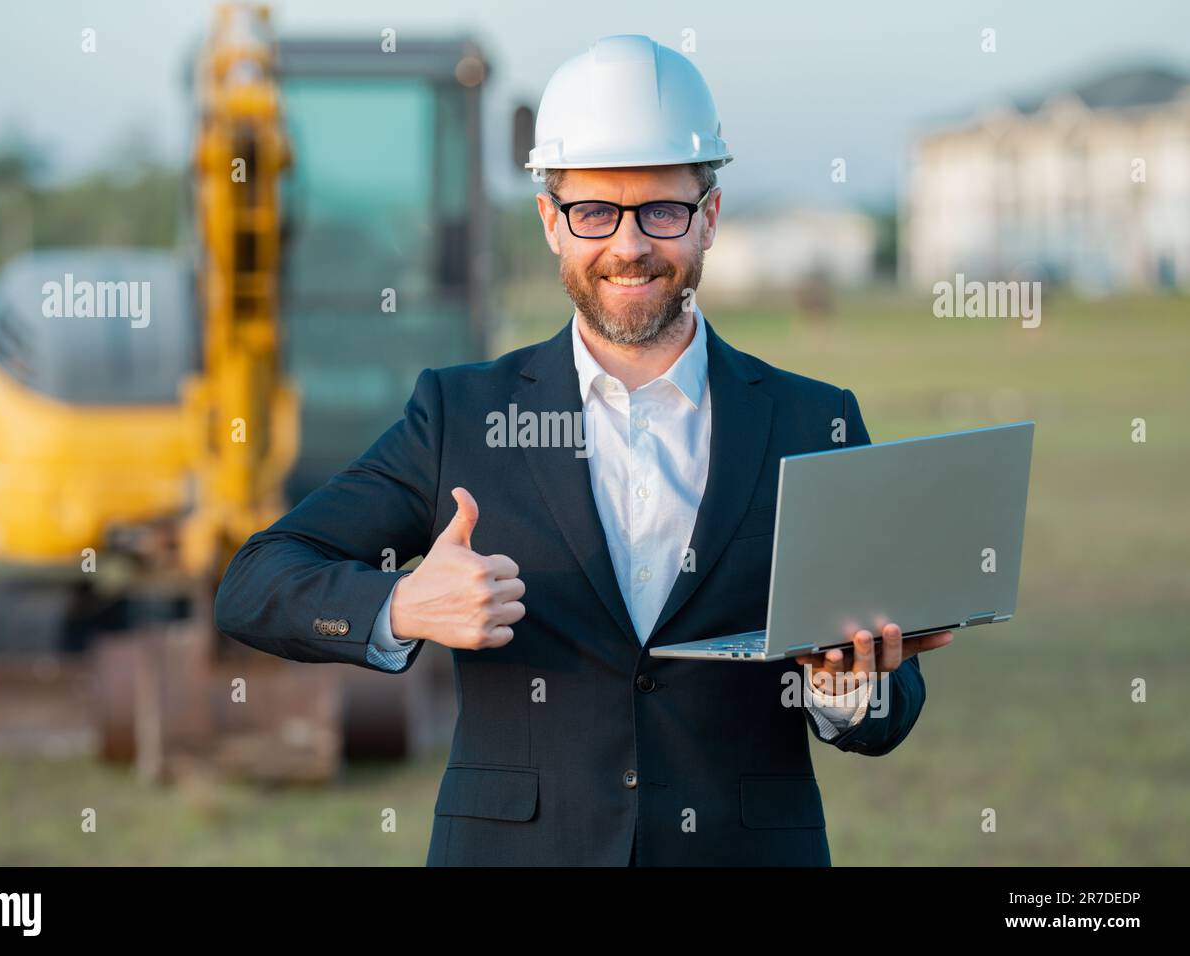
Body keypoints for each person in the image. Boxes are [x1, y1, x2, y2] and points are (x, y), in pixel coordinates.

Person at [214, 34, 954, 866]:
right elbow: (253, 582)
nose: (629, 245)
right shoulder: (460, 414)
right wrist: (402, 606)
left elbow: (890, 714)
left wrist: (845, 679)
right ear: (551, 223)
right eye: (595, 211)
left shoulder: (814, 421)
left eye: (662, 211)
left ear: (708, 217)